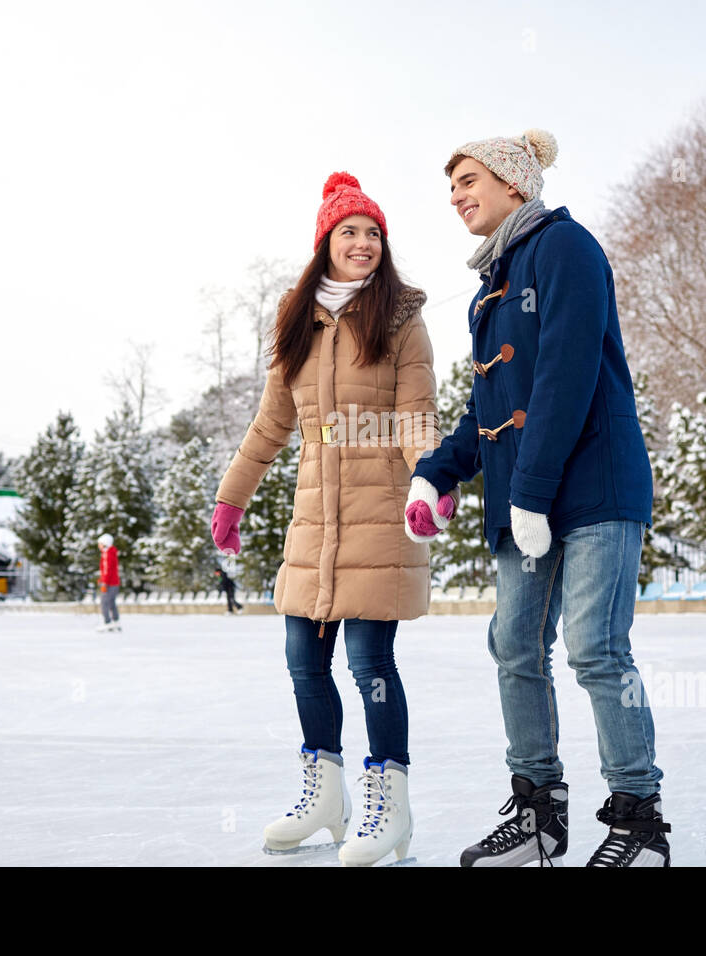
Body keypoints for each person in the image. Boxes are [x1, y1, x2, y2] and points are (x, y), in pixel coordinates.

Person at [405, 129, 672, 867]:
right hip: (527, 501)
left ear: (514, 182)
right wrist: (437, 471)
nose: (456, 195)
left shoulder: (566, 248)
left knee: (595, 649)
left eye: (467, 179)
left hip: (590, 486)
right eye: (451, 186)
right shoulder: (491, 286)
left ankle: (640, 822)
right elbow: (488, 407)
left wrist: (530, 492)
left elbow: (565, 375)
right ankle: (538, 815)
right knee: (515, 645)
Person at [210, 172, 457, 867]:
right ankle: (325, 796)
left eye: (373, 232)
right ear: (325, 243)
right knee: (303, 661)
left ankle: (390, 807)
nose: (364, 243)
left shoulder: (402, 317)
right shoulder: (298, 321)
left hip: (380, 511)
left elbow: (416, 415)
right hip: (315, 520)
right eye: (350, 231)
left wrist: (429, 478)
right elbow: (271, 423)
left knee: (370, 662)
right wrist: (233, 496)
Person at [96, 533, 121, 633]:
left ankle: (107, 622)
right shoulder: (111, 553)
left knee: (104, 603)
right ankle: (116, 622)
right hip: (114, 582)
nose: (98, 545)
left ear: (105, 543)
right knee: (111, 603)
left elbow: (107, 570)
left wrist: (104, 583)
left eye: (100, 543)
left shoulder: (107, 554)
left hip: (109, 583)